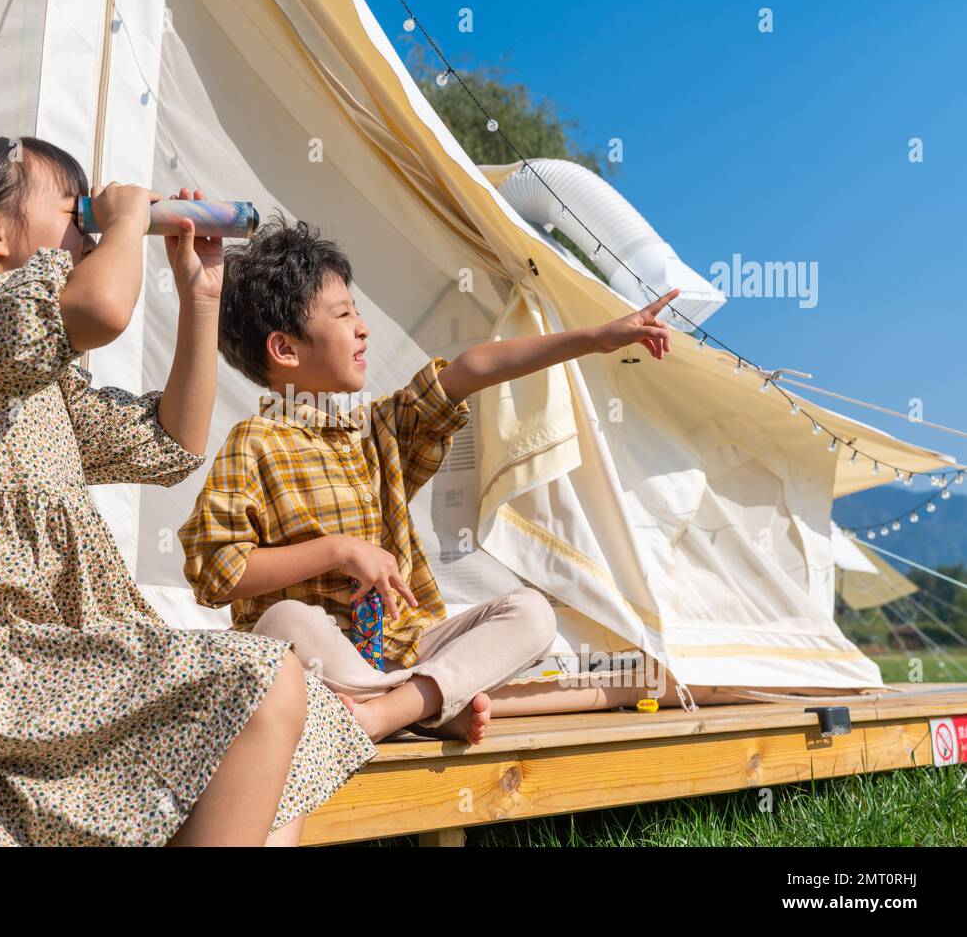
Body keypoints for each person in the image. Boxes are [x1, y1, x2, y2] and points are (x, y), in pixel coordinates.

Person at [0, 139, 375, 846]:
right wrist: (125, 222)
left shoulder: (46, 377)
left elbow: (171, 440)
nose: (88, 230)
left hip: (62, 652)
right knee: (265, 683)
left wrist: (200, 294)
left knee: (284, 721)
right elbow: (100, 308)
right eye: (74, 209)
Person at [178, 216, 679, 745]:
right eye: (343, 313)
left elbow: (470, 369)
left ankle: (385, 712)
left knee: (530, 613)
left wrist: (596, 338)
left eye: (358, 311)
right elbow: (216, 574)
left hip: (403, 648)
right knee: (283, 622)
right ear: (285, 349)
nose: (363, 326)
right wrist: (338, 551)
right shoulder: (255, 442)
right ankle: (419, 704)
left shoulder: (378, 431)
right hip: (321, 659)